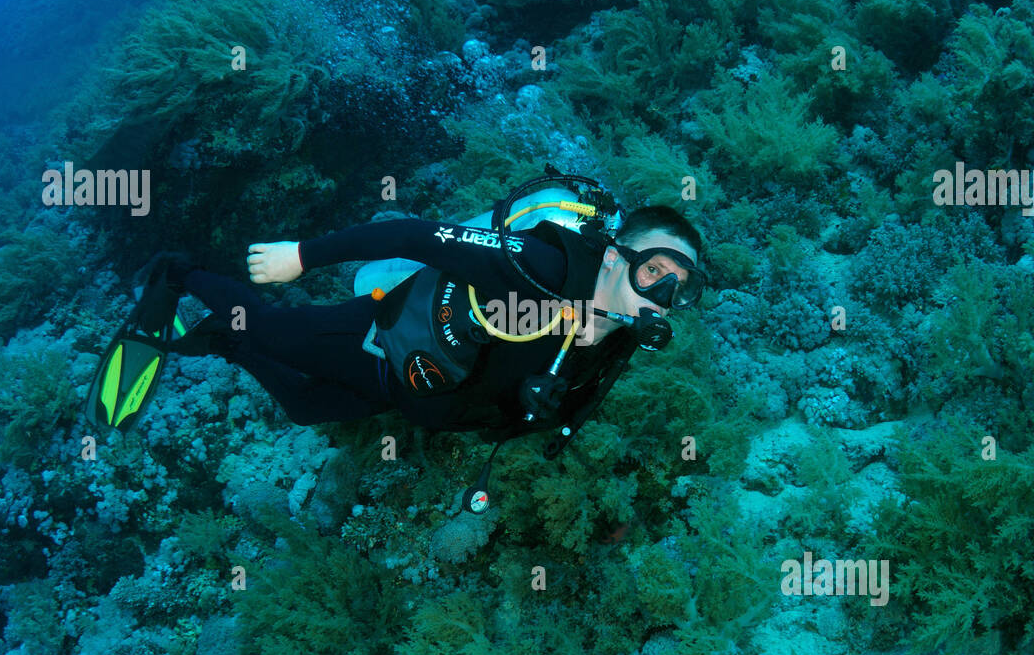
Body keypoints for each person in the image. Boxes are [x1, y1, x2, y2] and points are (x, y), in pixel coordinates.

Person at [87, 183, 705, 463]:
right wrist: (301, 256)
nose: (664, 293)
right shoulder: (540, 266)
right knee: (268, 327)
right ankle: (179, 275)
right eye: (656, 270)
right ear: (620, 254)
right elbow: (417, 235)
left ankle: (220, 340)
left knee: (303, 408)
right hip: (378, 344)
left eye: (682, 285)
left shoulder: (623, 335)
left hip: (411, 392)